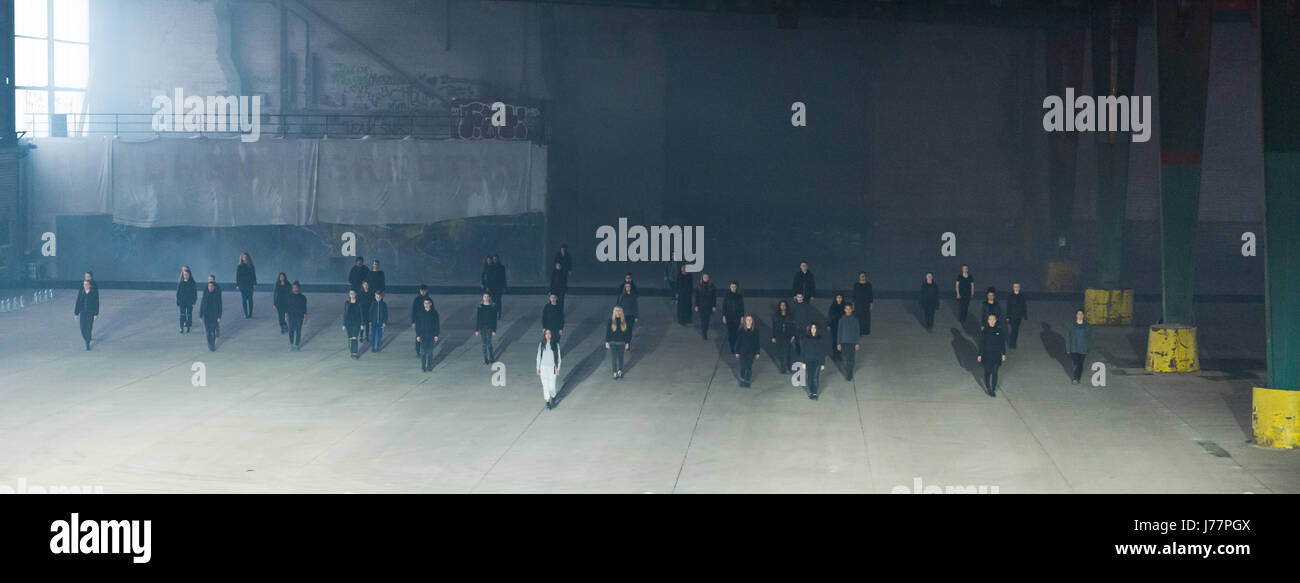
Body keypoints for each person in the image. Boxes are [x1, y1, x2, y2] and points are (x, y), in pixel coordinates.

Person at [977, 313, 1007, 396]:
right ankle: (988, 387)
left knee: (995, 372)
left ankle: (992, 389)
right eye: (990, 319)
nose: (991, 321)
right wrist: (979, 354)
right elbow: (981, 343)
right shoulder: (985, 330)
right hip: (987, 355)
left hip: (996, 355)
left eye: (993, 319)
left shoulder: (999, 330)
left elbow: (1002, 343)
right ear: (988, 321)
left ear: (995, 320)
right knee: (987, 372)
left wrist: (1003, 354)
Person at [536, 328, 562, 410]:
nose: (548, 335)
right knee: (545, 385)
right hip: (543, 367)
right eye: (546, 334)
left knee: (552, 385)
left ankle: (553, 397)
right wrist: (538, 368)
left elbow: (559, 358)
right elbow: (538, 357)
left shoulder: (555, 345)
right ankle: (547, 402)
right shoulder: (541, 344)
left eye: (549, 333)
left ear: (551, 335)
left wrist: (558, 368)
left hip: (552, 368)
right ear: (544, 335)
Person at [1065, 308, 1092, 385]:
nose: (1080, 315)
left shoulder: (1087, 326)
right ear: (1076, 315)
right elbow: (1068, 337)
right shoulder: (1072, 326)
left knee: (1080, 364)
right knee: (1076, 363)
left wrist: (1088, 348)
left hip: (1083, 349)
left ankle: (1077, 378)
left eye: (1081, 314)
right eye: (1078, 314)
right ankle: (1075, 378)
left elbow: (1089, 338)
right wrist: (1068, 348)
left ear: (1083, 315)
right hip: (1074, 348)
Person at [802, 323, 828, 400]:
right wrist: (803, 362)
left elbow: (822, 352)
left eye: (815, 328)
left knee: (815, 377)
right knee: (809, 377)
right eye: (812, 328)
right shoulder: (806, 339)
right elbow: (803, 351)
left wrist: (823, 363)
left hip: (817, 361)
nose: (813, 329)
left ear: (817, 329)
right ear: (809, 329)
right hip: (808, 361)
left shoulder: (820, 338)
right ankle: (811, 392)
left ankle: (815, 393)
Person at [771, 300, 798, 374]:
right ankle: (783, 367)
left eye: (784, 305)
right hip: (779, 335)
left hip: (787, 335)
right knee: (781, 352)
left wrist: (793, 335)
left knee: (788, 352)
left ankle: (788, 367)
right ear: (779, 306)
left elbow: (793, 326)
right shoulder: (776, 315)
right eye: (781, 305)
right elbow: (774, 326)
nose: (783, 306)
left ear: (786, 306)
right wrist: (773, 336)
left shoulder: (790, 315)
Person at [605, 306, 632, 380]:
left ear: (621, 312)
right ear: (614, 312)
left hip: (621, 343)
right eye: (616, 311)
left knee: (620, 357)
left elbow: (627, 333)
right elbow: (608, 332)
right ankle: (614, 372)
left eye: (619, 311)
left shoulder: (624, 321)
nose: (618, 312)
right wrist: (607, 342)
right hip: (613, 343)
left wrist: (627, 343)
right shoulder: (610, 321)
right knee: (614, 358)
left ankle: (620, 371)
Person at [734, 314, 761, 387]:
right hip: (742, 351)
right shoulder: (741, 330)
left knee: (749, 367)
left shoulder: (755, 331)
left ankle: (747, 381)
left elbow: (757, 342)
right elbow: (738, 341)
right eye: (747, 320)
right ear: (745, 321)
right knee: (742, 366)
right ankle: (742, 379)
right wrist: (737, 351)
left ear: (752, 321)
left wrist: (758, 352)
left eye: (750, 320)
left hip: (751, 352)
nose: (749, 321)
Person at [415, 297, 441, 372]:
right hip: (422, 335)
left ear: (431, 304)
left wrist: (436, 335)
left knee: (430, 352)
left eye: (427, 303)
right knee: (423, 352)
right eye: (425, 303)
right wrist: (418, 335)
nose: (426, 305)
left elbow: (437, 324)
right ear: (423, 304)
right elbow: (418, 325)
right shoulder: (420, 313)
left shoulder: (434, 313)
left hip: (431, 335)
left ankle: (429, 366)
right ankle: (423, 367)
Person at [837, 303, 861, 380]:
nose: (848, 310)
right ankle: (847, 369)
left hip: (852, 342)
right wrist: (838, 343)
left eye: (849, 309)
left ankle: (849, 373)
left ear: (852, 309)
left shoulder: (855, 320)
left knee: (851, 359)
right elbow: (839, 332)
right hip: (844, 342)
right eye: (846, 309)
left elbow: (857, 332)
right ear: (844, 310)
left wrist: (857, 343)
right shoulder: (841, 320)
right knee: (844, 358)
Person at [74, 279, 98, 350]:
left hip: (90, 313)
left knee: (89, 327)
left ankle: (87, 343)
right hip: (83, 313)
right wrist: (76, 313)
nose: (85, 286)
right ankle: (87, 338)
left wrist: (96, 314)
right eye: (84, 284)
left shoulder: (93, 293)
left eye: (87, 284)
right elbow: (78, 302)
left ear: (90, 285)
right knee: (82, 328)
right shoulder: (81, 292)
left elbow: (96, 304)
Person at [721, 281, 745, 352]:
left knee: (735, 332)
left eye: (734, 287)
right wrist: (724, 316)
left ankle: (734, 344)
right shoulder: (727, 295)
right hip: (729, 317)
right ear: (730, 287)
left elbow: (742, 307)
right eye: (732, 287)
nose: (733, 288)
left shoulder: (739, 296)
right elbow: (724, 306)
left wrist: (742, 317)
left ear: (736, 287)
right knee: (731, 333)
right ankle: (732, 346)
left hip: (737, 317)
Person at [199, 280, 222, 352]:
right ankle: (209, 343)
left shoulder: (217, 296)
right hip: (206, 316)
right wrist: (200, 315)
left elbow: (220, 306)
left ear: (214, 287)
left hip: (214, 316)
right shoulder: (205, 295)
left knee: (212, 331)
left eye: (211, 286)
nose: (210, 287)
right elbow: (202, 305)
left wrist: (219, 316)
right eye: (209, 286)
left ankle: (212, 344)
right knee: (208, 331)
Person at [475, 293, 497, 365]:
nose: (486, 298)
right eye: (484, 296)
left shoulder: (492, 307)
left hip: (489, 327)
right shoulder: (480, 307)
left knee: (489, 343)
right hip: (482, 327)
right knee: (484, 344)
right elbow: (478, 319)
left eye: (487, 296)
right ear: (483, 298)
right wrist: (477, 329)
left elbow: (494, 319)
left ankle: (491, 357)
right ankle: (486, 358)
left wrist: (494, 330)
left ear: (489, 298)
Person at [342, 289, 364, 359]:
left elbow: (362, 314)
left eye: (353, 293)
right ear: (349, 295)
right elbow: (345, 314)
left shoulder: (359, 303)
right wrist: (344, 324)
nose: (352, 295)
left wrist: (362, 324)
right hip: (349, 323)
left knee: (355, 338)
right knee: (351, 338)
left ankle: (354, 353)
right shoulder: (347, 303)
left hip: (356, 322)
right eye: (350, 293)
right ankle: (352, 352)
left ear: (355, 294)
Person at [694, 273, 717, 340]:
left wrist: (714, 306)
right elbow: (696, 297)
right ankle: (704, 333)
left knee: (707, 320)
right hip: (701, 306)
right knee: (703, 320)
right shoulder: (699, 286)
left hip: (708, 306)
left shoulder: (712, 286)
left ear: (709, 278)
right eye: (704, 277)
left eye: (707, 277)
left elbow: (714, 297)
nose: (705, 278)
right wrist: (696, 305)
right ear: (702, 278)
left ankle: (705, 331)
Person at [412, 284, 433, 355]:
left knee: (426, 336)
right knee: (418, 336)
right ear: (419, 291)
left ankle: (425, 350)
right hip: (418, 321)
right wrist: (413, 322)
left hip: (427, 321)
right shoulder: (416, 300)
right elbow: (413, 311)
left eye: (424, 291)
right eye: (421, 291)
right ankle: (418, 351)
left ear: (426, 291)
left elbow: (432, 311)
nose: (423, 292)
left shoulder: (429, 300)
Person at [286, 281, 307, 350]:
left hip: (299, 316)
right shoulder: (289, 297)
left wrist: (305, 317)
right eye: (293, 288)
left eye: (296, 287)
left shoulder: (303, 297)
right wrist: (286, 316)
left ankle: (296, 345)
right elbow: (287, 307)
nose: (295, 289)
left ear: (299, 288)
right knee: (291, 330)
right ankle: (291, 344)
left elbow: (304, 308)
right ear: (292, 288)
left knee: (298, 331)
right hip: (291, 316)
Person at [1006, 282, 1028, 349]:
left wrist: (1025, 315)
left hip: (1018, 316)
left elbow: (1024, 305)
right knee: (1013, 330)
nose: (1016, 288)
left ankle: (1013, 343)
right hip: (1012, 316)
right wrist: (1007, 316)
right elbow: (1008, 306)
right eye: (1015, 286)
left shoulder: (1022, 296)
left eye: (1017, 286)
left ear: (1019, 287)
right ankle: (1012, 344)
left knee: (1015, 330)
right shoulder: (1010, 296)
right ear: (1013, 287)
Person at [236, 252, 257, 318]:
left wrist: (254, 284)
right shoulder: (239, 266)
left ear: (248, 258)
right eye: (243, 257)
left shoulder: (251, 266)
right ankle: (245, 313)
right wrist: (237, 285)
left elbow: (254, 275)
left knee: (250, 299)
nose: (244, 258)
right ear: (241, 258)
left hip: (250, 285)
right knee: (244, 299)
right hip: (242, 285)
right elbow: (237, 276)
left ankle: (250, 313)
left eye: (245, 257)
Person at [176, 266, 196, 334]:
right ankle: (181, 328)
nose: (185, 276)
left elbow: (194, 293)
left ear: (189, 275)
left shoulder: (192, 283)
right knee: (182, 314)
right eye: (184, 275)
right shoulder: (181, 283)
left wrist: (194, 301)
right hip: (182, 301)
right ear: (183, 275)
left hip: (189, 301)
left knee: (189, 314)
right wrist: (178, 301)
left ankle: (188, 327)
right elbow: (178, 293)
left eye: (187, 275)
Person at [827, 293, 847, 360]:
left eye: (840, 297)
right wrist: (829, 325)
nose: (839, 299)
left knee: (841, 341)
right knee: (834, 341)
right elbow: (830, 316)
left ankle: (840, 355)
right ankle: (835, 355)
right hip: (834, 326)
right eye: (837, 297)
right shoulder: (832, 306)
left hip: (842, 326)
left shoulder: (844, 306)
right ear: (835, 298)